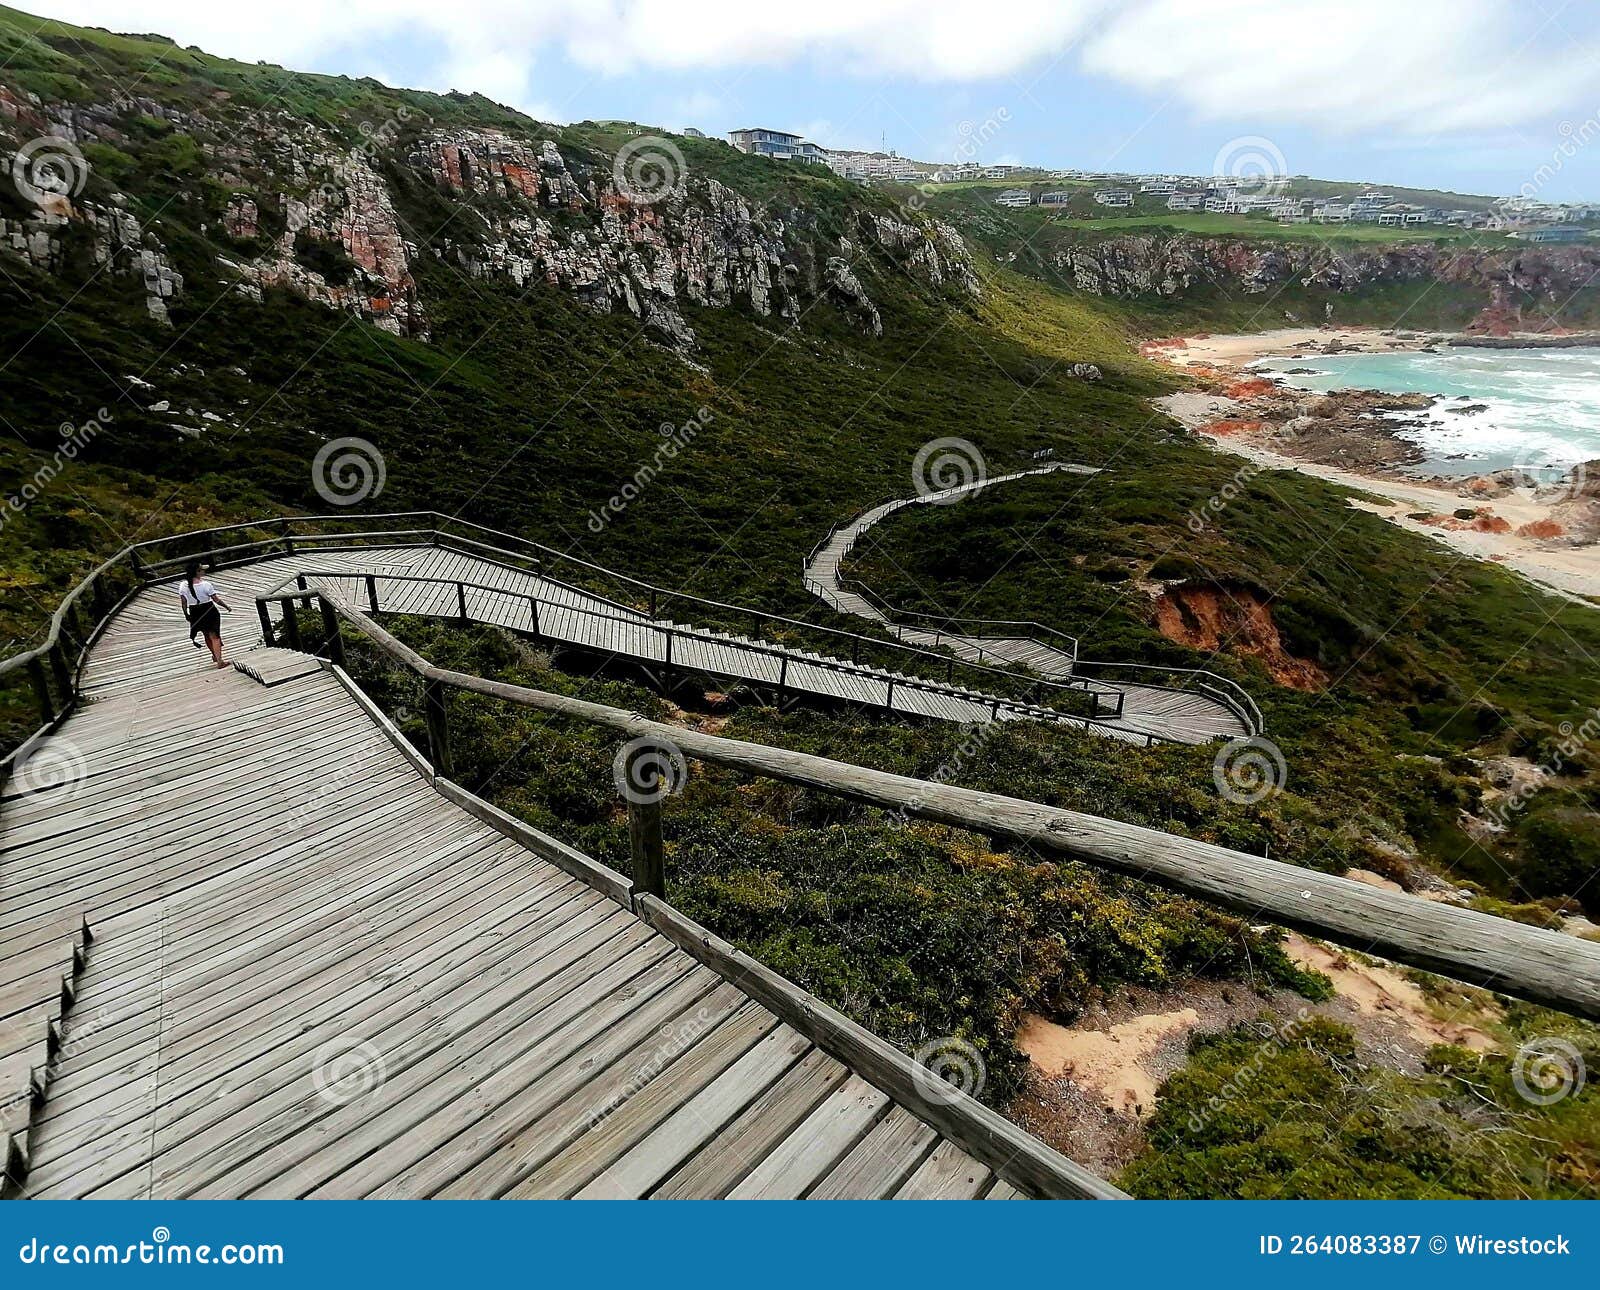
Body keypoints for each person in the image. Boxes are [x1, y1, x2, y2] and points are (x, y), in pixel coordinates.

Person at [178, 560, 232, 669]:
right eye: (202, 570)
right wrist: (226, 607)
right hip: (209, 610)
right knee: (215, 636)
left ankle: (215, 655)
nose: (204, 571)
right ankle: (220, 661)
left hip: (194, 611)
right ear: (197, 572)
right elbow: (216, 599)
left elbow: (184, 602)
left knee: (206, 635)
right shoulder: (206, 585)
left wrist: (186, 614)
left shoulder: (183, 585)